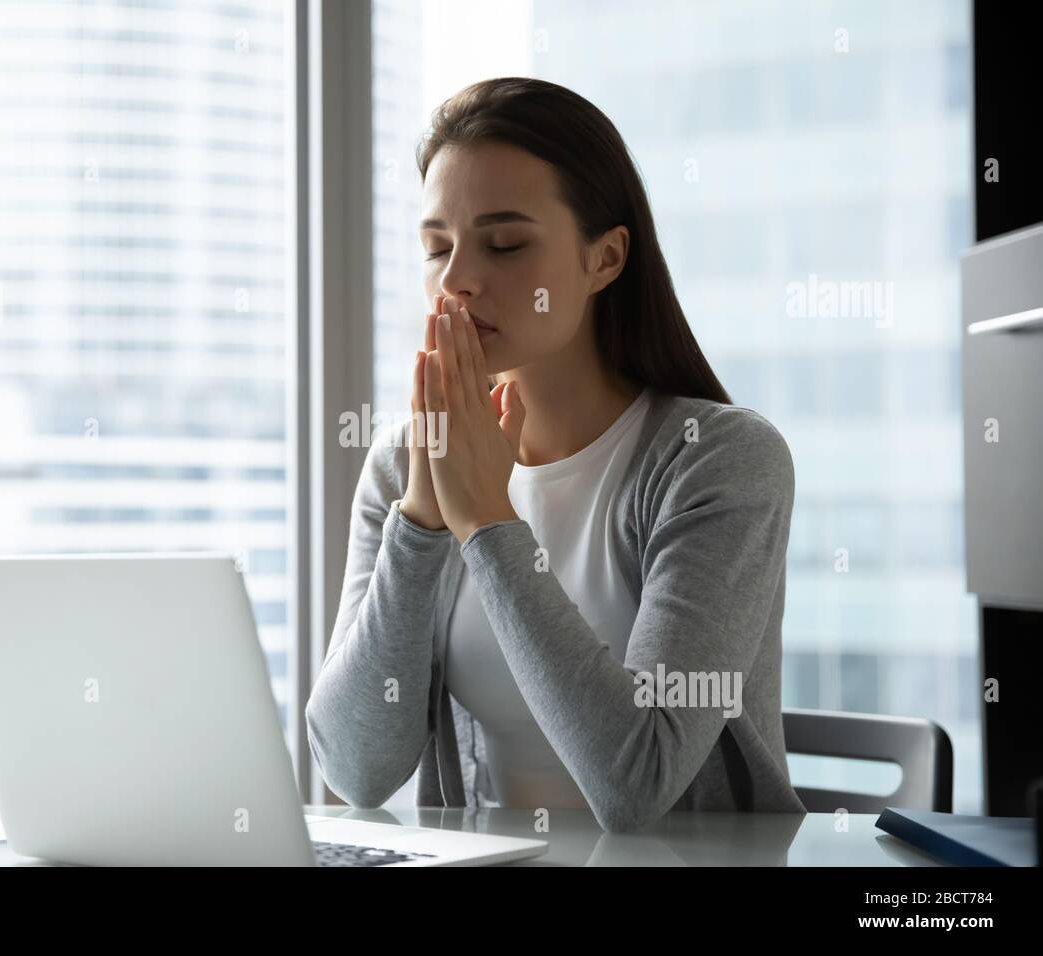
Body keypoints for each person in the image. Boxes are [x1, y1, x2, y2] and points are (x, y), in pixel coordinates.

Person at [305, 77, 806, 832]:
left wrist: (483, 519)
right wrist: (421, 523)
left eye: (505, 244)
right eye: (436, 247)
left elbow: (636, 785)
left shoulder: (719, 461)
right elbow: (354, 769)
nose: (457, 281)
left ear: (604, 260)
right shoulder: (403, 464)